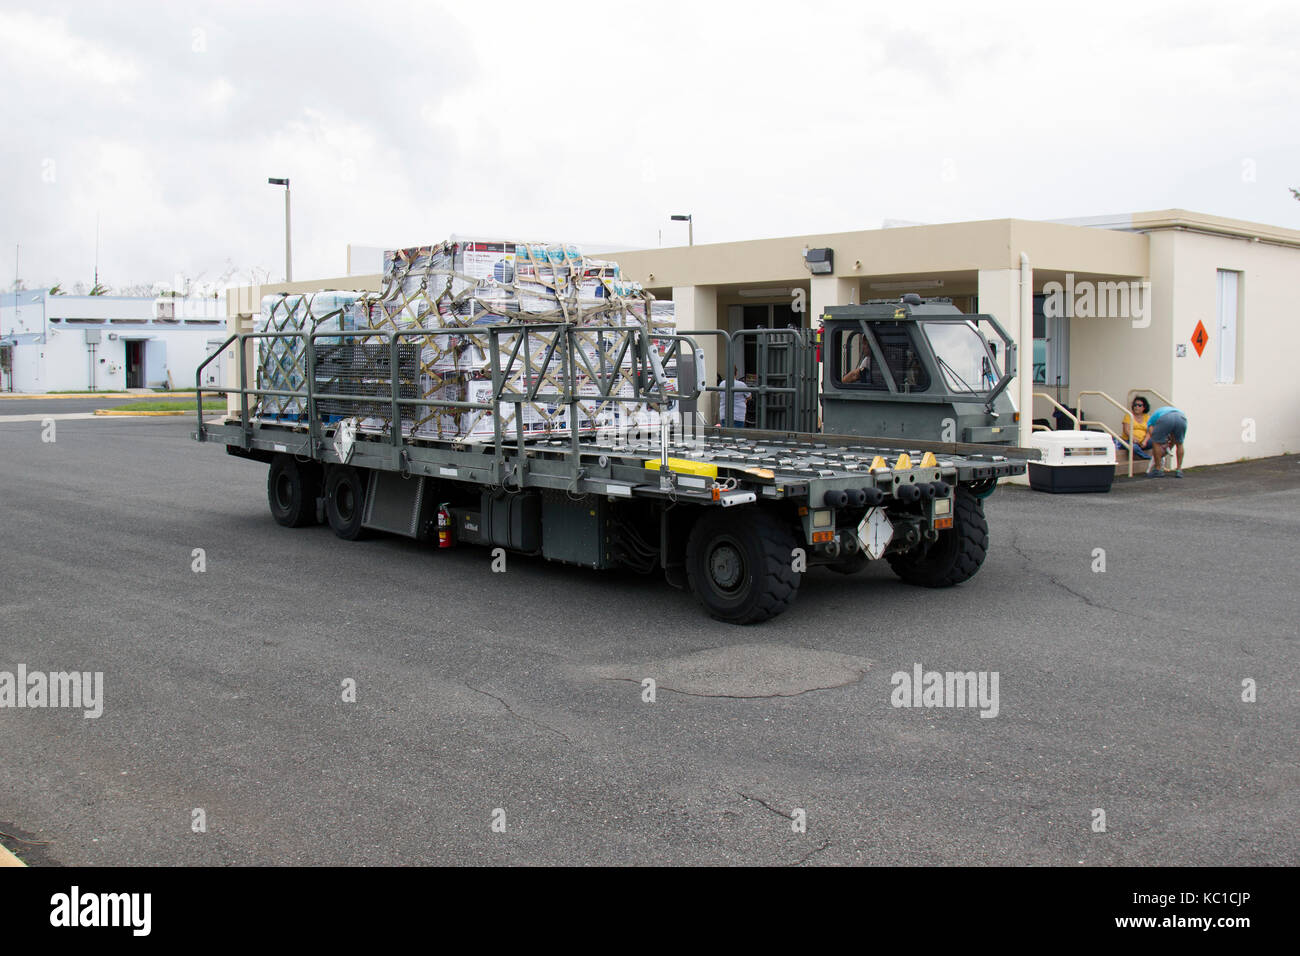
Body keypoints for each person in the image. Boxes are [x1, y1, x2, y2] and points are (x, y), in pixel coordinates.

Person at [1145, 404, 1188, 478]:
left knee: (1156, 442)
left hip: (1166, 418)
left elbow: (1152, 434)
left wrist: (1161, 446)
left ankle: (1158, 469)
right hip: (1181, 417)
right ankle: (1179, 470)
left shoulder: (1151, 420)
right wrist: (1168, 447)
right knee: (1180, 443)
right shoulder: (1171, 410)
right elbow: (1173, 440)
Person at [1119, 395, 1152, 461]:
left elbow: (1149, 431)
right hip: (1130, 440)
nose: (1136, 407)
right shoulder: (1129, 415)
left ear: (1144, 407)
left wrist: (1145, 441)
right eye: (1135, 405)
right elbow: (1126, 430)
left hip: (1143, 442)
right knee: (1133, 447)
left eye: (1139, 405)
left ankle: (1161, 457)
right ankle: (1147, 457)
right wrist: (1133, 438)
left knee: (1156, 441)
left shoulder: (1147, 417)